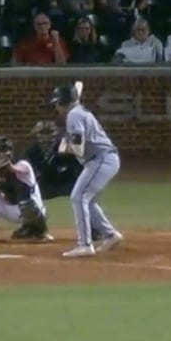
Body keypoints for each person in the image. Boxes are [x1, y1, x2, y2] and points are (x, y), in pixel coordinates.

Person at [51, 83, 122, 257]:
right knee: (87, 200)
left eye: (57, 103)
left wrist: (64, 147)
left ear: (63, 101)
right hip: (103, 160)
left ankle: (85, 244)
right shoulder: (78, 112)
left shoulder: (74, 116)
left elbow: (78, 149)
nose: (55, 107)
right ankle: (110, 234)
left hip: (102, 159)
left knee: (79, 196)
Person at [0, 135, 53, 243]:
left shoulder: (23, 164)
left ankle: (38, 231)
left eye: (1, 151)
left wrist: (8, 166)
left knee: (24, 197)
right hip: (11, 209)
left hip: (33, 211)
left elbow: (18, 170)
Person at [25, 119, 84, 200]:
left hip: (67, 184)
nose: (46, 138)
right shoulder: (33, 151)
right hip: (47, 185)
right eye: (42, 133)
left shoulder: (65, 147)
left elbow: (79, 166)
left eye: (49, 132)